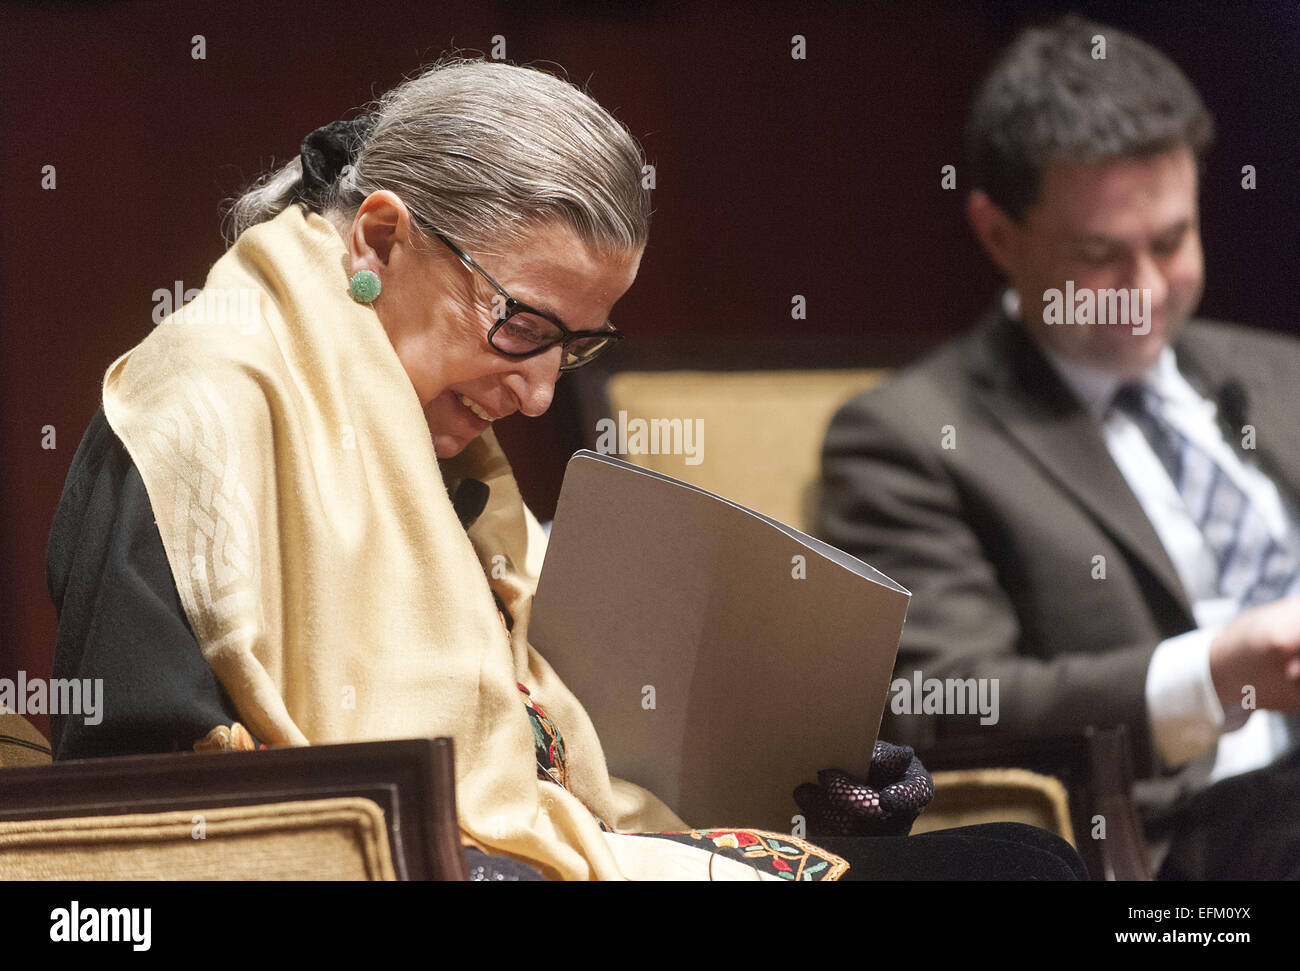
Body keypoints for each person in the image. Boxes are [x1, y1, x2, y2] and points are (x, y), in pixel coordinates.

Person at [46, 57, 1083, 880]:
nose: (540, 394)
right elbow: (134, 804)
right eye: (522, 325)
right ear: (381, 234)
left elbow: (564, 742)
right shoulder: (200, 401)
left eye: (572, 346)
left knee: (1022, 857)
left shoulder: (424, 439)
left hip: (549, 854)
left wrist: (800, 783)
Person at [819, 16, 1300, 880]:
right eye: (1100, 255)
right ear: (1000, 235)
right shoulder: (909, 438)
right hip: (1185, 836)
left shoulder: (1278, 370)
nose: (1146, 292)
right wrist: (1218, 671)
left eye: (1171, 242)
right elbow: (930, 709)